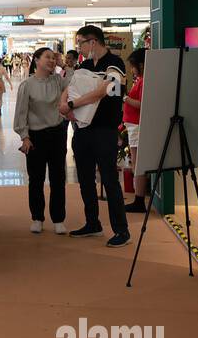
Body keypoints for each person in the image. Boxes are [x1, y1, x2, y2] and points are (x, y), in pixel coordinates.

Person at [60, 25, 130, 246]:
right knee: (86, 180)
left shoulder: (115, 63)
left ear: (92, 42)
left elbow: (105, 90)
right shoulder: (86, 65)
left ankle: (121, 230)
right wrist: (64, 104)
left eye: (80, 42)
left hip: (105, 131)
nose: (78, 47)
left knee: (109, 180)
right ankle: (93, 223)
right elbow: (70, 86)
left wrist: (73, 103)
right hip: (82, 130)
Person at [14, 47, 70, 235]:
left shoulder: (58, 80)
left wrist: (65, 66)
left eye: (54, 58)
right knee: (36, 179)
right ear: (36, 60)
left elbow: (75, 83)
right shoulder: (27, 85)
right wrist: (25, 136)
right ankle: (37, 217)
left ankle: (59, 219)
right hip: (35, 137)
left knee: (58, 178)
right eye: (48, 57)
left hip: (57, 134)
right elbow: (21, 113)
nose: (52, 60)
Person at [123, 48, 148, 213]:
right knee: (135, 162)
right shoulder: (141, 80)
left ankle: (139, 200)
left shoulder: (144, 81)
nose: (132, 70)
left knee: (137, 163)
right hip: (133, 125)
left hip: (137, 126)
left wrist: (125, 98)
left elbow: (142, 104)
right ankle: (138, 199)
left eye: (133, 66)